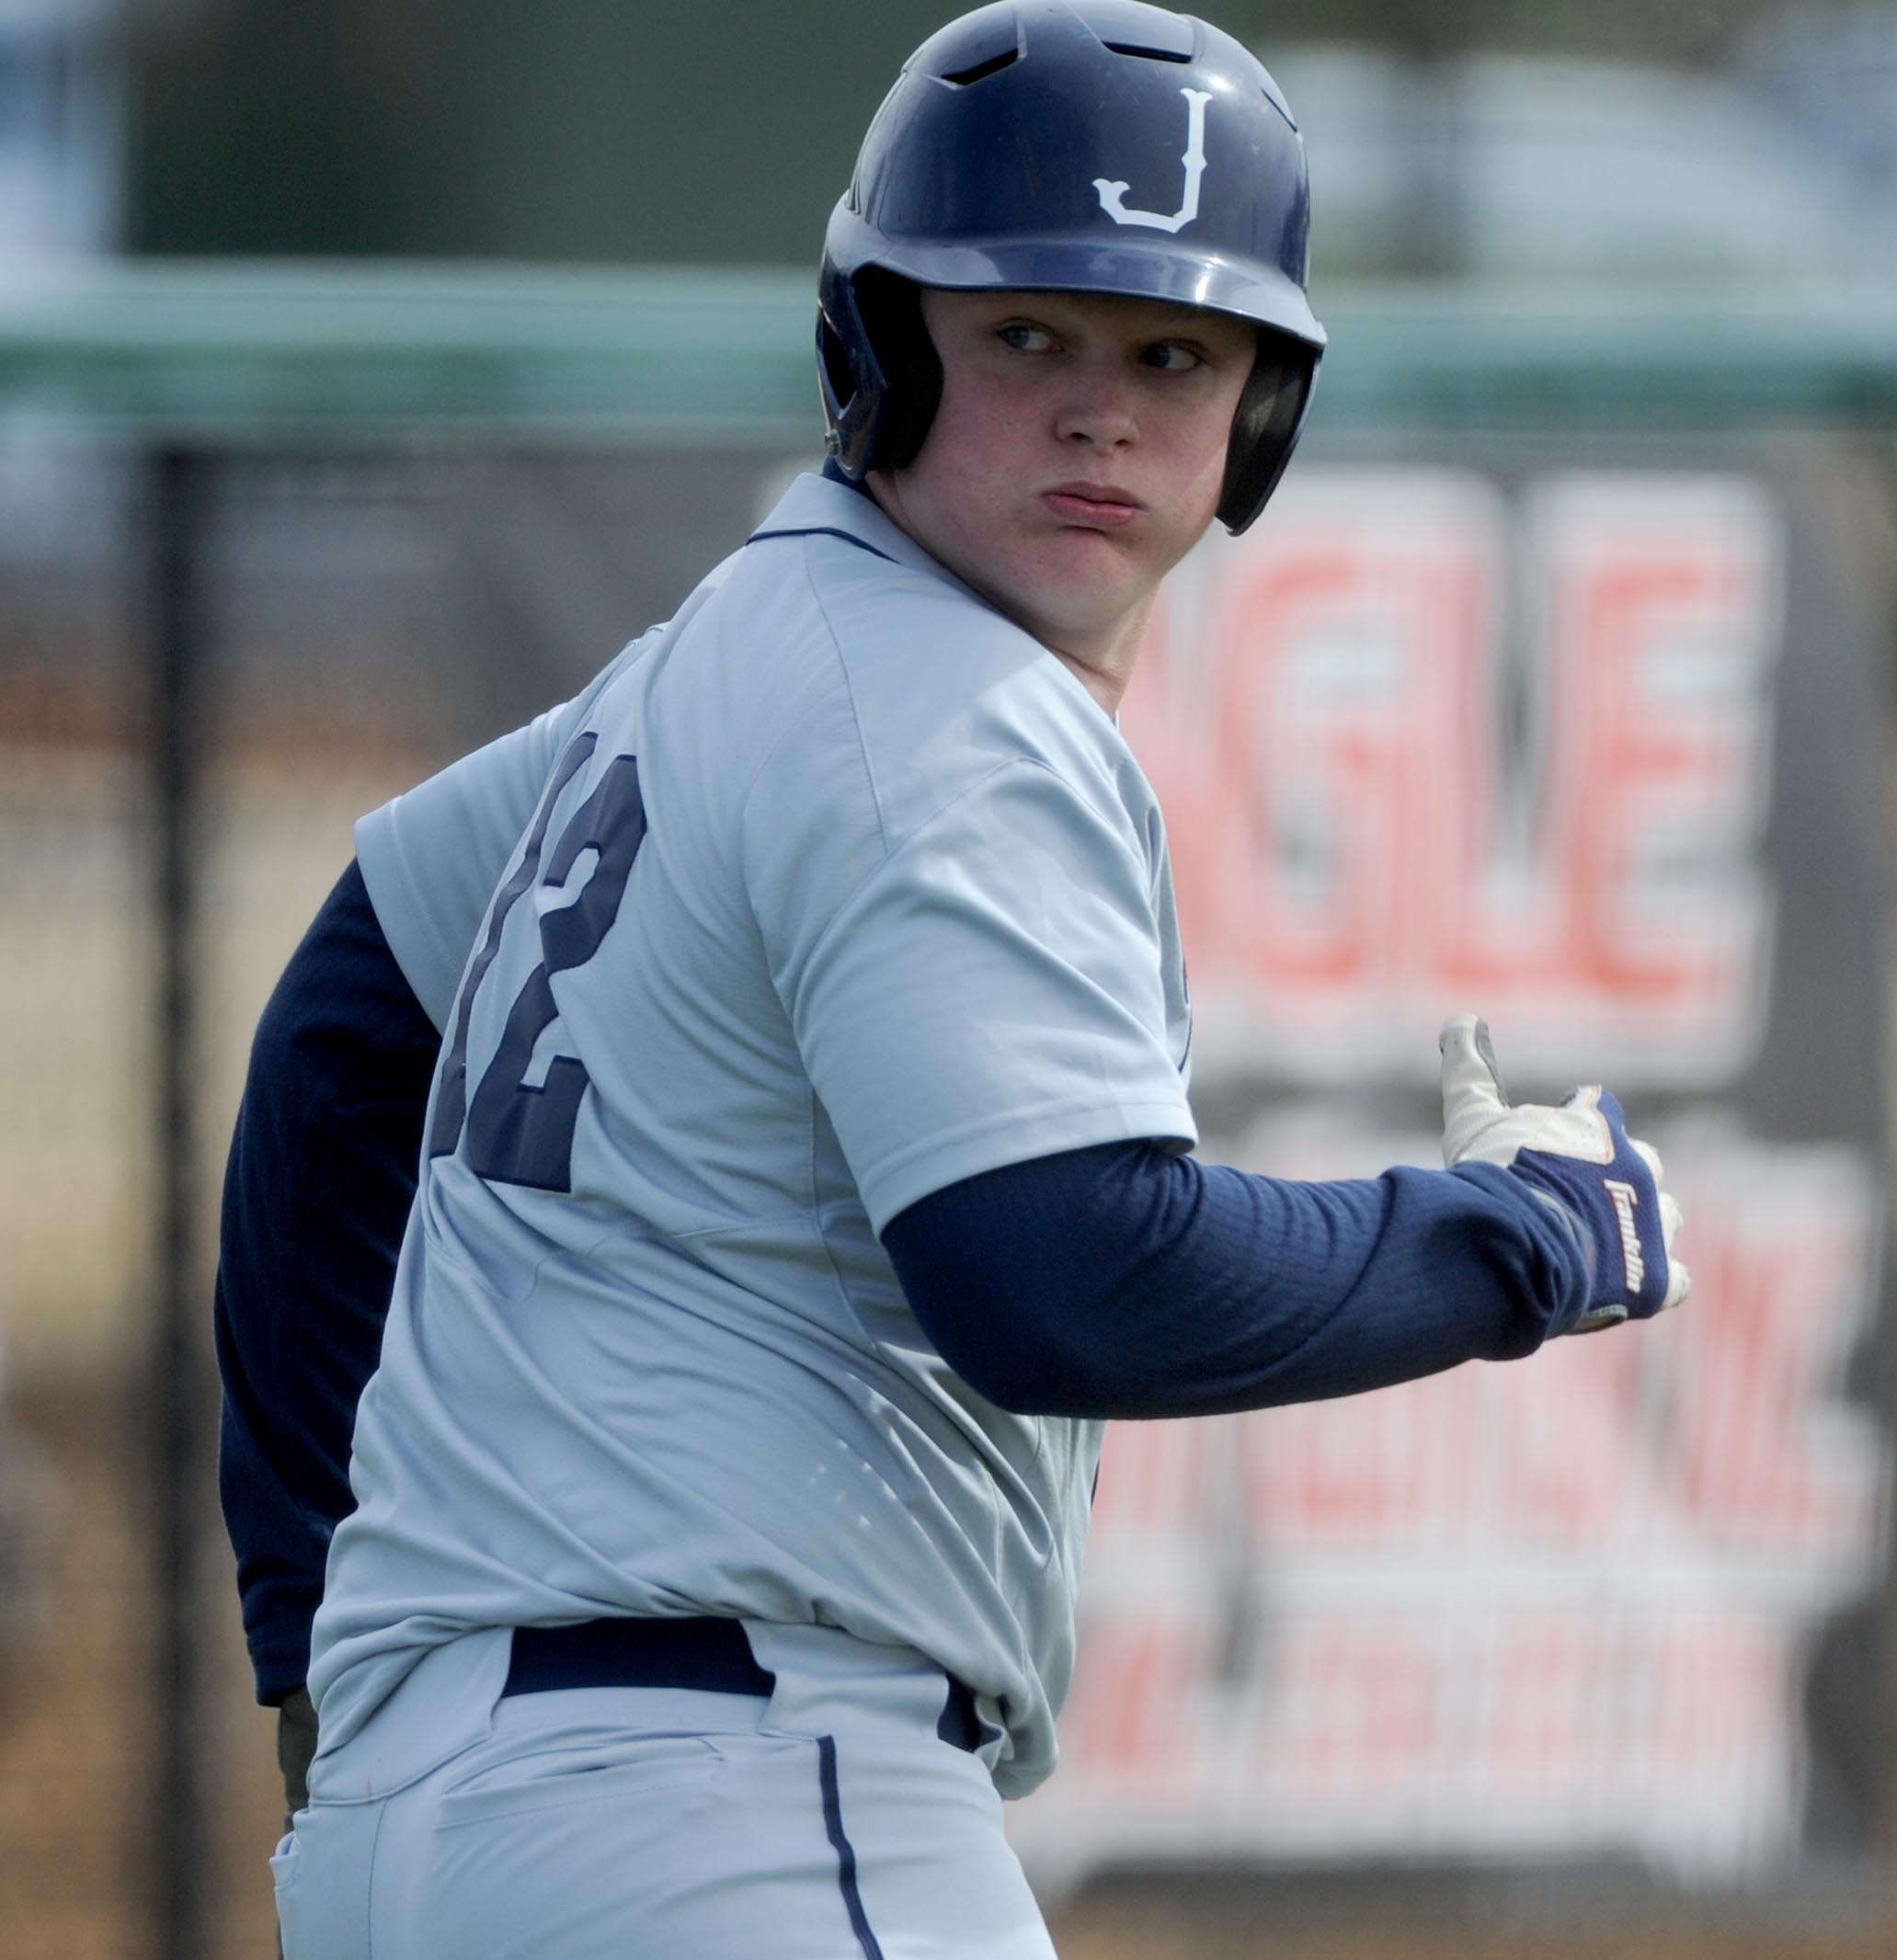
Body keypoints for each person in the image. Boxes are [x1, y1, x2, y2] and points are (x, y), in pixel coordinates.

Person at [230, 7, 1688, 1956]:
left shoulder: (725, 654)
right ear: (877, 347)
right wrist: (1518, 1240)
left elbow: (344, 1032)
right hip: (729, 1806)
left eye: (1171, 350)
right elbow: (1064, 1271)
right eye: (1025, 334)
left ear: (1258, 410)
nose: (1100, 411)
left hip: (445, 1830)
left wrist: (320, 1633)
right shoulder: (942, 702)